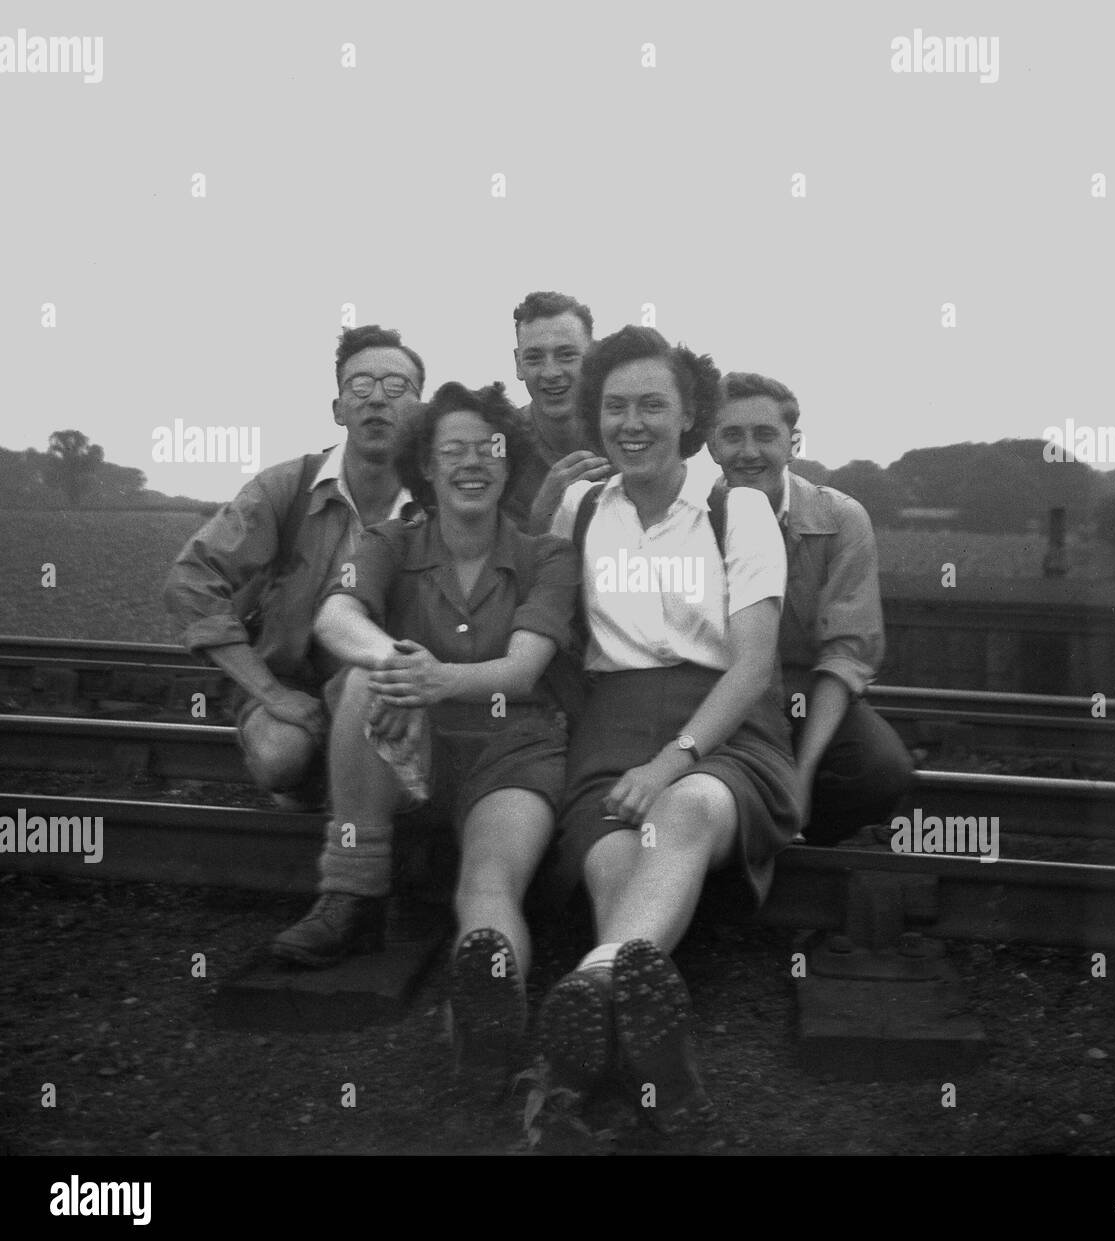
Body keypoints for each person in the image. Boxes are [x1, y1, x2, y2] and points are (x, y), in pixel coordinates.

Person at [271, 381, 579, 1062]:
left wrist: (434, 680)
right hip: (416, 754)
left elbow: (524, 668)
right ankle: (352, 895)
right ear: (428, 467)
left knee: (489, 881)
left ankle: (489, 1000)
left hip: (515, 753)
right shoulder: (390, 539)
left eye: (489, 448)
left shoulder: (546, 557)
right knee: (361, 677)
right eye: (453, 451)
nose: (472, 462)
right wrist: (404, 673)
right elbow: (335, 617)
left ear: (507, 461)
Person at [540, 327, 798, 1132]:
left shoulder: (738, 507)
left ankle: (578, 1019)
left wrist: (673, 758)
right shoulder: (579, 507)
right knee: (619, 866)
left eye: (653, 404)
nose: (632, 423)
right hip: (609, 724)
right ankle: (656, 1066)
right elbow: (542, 630)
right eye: (615, 406)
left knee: (680, 812)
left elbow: (753, 664)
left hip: (721, 723)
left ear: (689, 414)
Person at [163, 326, 425, 808]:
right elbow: (191, 580)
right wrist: (270, 693)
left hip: (390, 684)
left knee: (417, 789)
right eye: (360, 386)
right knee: (282, 757)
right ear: (338, 409)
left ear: (419, 408)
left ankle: (357, 785)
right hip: (292, 682)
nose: (376, 400)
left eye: (396, 387)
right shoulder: (285, 487)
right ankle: (314, 779)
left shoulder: (433, 501)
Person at [708, 373, 914, 842]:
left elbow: (844, 654)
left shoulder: (841, 518)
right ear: (711, 447)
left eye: (765, 435)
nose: (748, 452)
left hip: (805, 697)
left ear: (793, 443)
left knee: (878, 769)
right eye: (732, 436)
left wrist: (802, 775)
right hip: (718, 695)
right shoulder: (695, 516)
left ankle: (799, 861)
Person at [504, 290, 611, 533]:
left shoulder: (624, 435)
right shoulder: (500, 447)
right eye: (534, 358)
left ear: (592, 356)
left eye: (566, 355)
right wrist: (544, 512)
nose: (551, 373)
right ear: (518, 364)